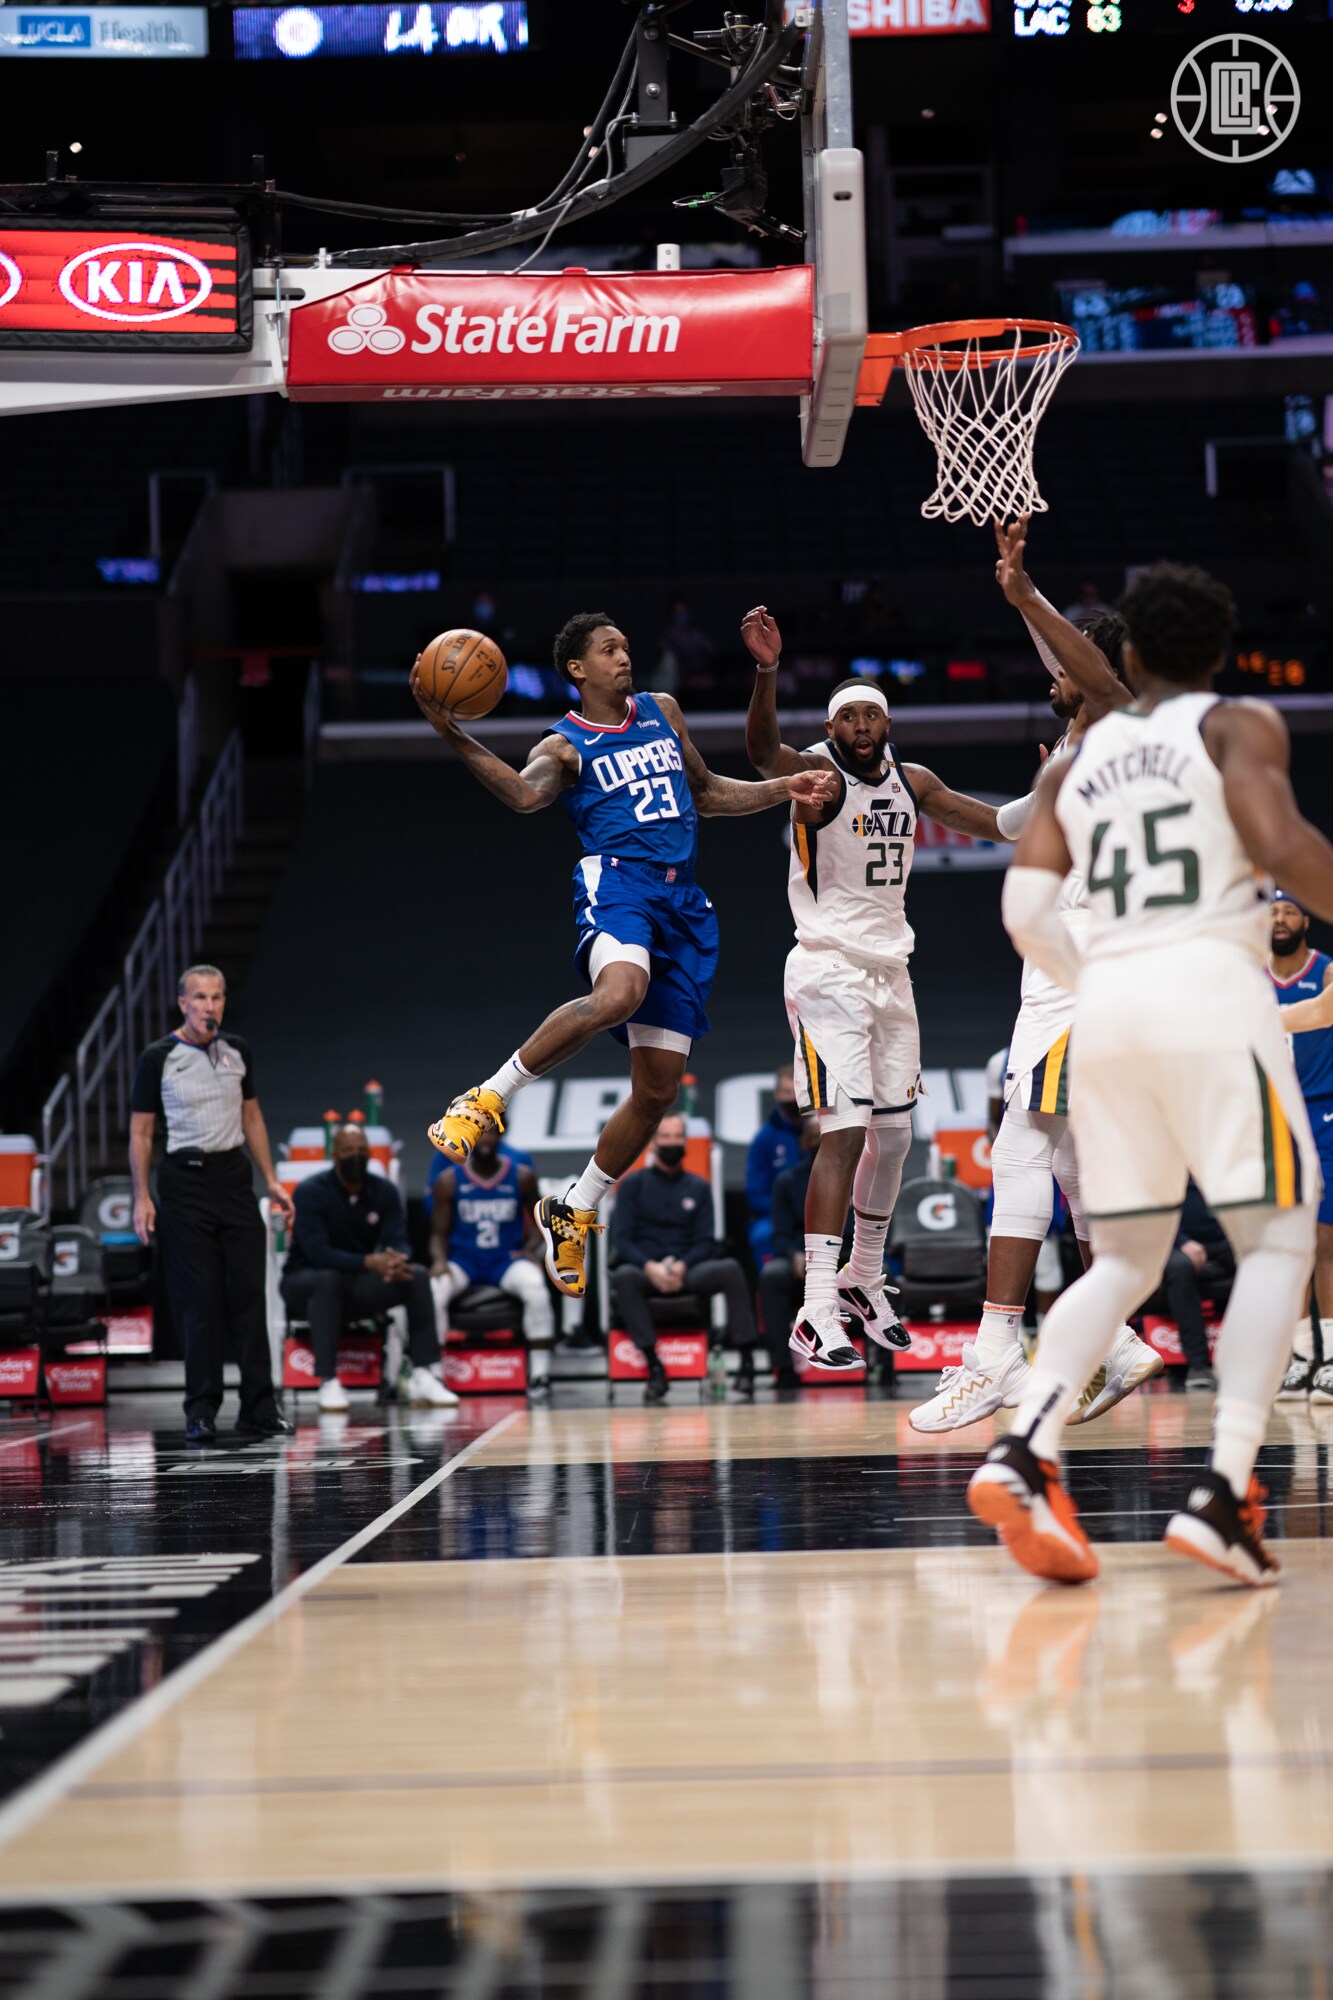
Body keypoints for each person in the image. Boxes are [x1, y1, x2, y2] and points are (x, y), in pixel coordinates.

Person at [970, 559, 1332, 1588]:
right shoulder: (1233, 725)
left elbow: (1022, 911)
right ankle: (1221, 1490)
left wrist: (1101, 977)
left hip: (1106, 1012)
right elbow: (1282, 842)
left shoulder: (1071, 765)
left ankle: (1023, 1449)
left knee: (1122, 1258)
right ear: (1218, 654)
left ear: (1126, 653)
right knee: (1278, 1236)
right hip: (1209, 991)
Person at [411, 613, 835, 1305]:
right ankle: (485, 1098)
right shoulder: (565, 745)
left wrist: (781, 790)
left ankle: (574, 1205)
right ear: (577, 669)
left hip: (683, 903)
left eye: (626, 647)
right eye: (608, 650)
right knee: (620, 992)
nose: (623, 657)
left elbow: (706, 793)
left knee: (658, 1091)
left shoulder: (663, 711)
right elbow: (523, 794)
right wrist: (452, 732)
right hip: (618, 885)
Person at [913, 523, 1160, 1432]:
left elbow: (1097, 678)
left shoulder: (1119, 725)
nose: (1049, 670)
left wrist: (1025, 596)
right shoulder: (1069, 752)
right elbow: (1002, 823)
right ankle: (1118, 1340)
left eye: (1065, 659)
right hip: (1073, 967)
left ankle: (993, 1352)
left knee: (1018, 1143)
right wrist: (918, 792)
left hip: (1084, 966)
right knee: (1068, 1160)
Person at [742, 604, 1026, 1372]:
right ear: (831, 727)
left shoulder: (913, 780)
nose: (861, 726)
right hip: (827, 969)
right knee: (841, 1133)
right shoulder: (815, 775)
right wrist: (767, 670)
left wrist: (1055, 791)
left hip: (891, 974)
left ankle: (863, 1277)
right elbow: (761, 751)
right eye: (848, 717)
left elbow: (998, 825)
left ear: (887, 723)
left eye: (871, 714)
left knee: (896, 1136)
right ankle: (815, 1308)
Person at [129, 964, 294, 1445]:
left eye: (217, 997)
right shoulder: (159, 1057)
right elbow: (141, 1132)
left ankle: (259, 1408)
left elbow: (252, 1117)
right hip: (184, 1182)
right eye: (200, 998)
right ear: (183, 1004)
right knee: (198, 1300)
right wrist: (142, 1196)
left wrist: (272, 1180)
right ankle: (201, 1410)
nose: (209, 1006)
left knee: (249, 1296)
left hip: (233, 1179)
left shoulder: (237, 1050)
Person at [282, 1124, 456, 1414]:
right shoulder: (311, 1192)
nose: (356, 1156)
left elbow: (399, 1239)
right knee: (327, 1279)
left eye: (362, 1150)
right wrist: (369, 1262)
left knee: (415, 1275)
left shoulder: (383, 1190)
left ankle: (424, 1373)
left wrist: (396, 1260)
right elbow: (317, 1254)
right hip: (304, 1282)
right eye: (349, 1150)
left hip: (355, 1282)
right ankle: (328, 1380)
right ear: (335, 1155)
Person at [609, 1113, 758, 1403]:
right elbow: (622, 1241)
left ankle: (747, 1362)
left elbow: (706, 1241)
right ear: (653, 1143)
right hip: (646, 1270)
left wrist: (682, 1266)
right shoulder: (632, 1186)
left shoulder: (698, 1187)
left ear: (686, 1142)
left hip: (687, 1270)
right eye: (665, 1137)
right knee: (624, 1277)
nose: (672, 1143)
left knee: (730, 1269)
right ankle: (654, 1366)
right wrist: (650, 1268)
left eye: (678, 1137)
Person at [429, 1122, 556, 1399]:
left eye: (491, 1132)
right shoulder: (449, 1180)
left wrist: (531, 1250)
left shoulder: (522, 1176)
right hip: (464, 1260)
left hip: (504, 1260)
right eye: (480, 1133)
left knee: (536, 1287)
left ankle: (540, 1374)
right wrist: (439, 1261)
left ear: (501, 1135)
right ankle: (435, 1374)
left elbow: (541, 1222)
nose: (486, 1139)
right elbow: (438, 1234)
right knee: (436, 1290)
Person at [1264, 893, 1333, 1400]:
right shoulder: (1248, 977)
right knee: (1286, 1242)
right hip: (1272, 1116)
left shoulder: (1326, 970)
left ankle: (1331, 1356)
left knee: (1326, 1237)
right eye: (1272, 912)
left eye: (1289, 911)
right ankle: (1301, 1356)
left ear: (1305, 921)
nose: (1280, 919)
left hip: (1322, 1112)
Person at [757, 1113, 825, 1389]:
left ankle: (885, 1366)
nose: (820, 1143)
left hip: (843, 1259)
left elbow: (856, 1231)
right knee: (772, 1275)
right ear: (803, 1143)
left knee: (879, 1273)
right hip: (801, 1258)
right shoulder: (787, 1182)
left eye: (826, 1137)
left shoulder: (857, 1178)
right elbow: (780, 1235)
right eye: (814, 1137)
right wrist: (796, 1255)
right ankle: (783, 1368)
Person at [1163, 1180, 1234, 1392]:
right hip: (1176, 1244)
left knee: (1256, 1261)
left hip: (1224, 1240)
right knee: (1180, 1267)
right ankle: (1198, 1365)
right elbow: (1156, 1209)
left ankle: (1255, 1359)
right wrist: (1181, 1242)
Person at [745, 1066, 805, 1263]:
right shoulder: (764, 1139)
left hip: (818, 1214)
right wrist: (787, 1212)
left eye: (797, 1092)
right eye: (787, 1092)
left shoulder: (819, 1133)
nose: (793, 1098)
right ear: (777, 1094)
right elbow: (755, 1193)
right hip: (775, 1215)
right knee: (762, 1235)